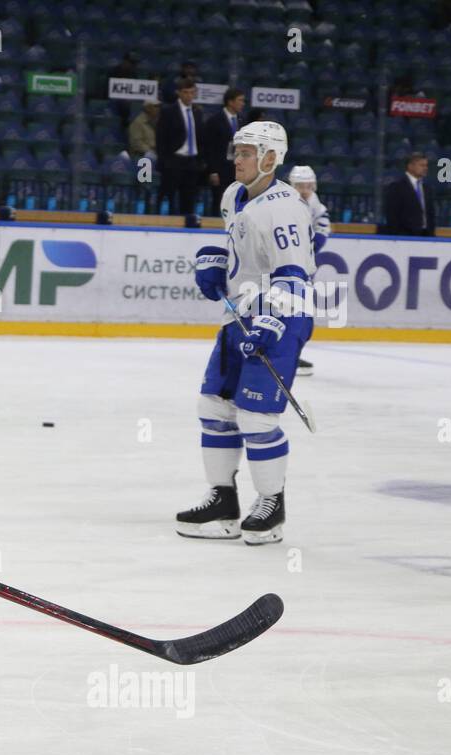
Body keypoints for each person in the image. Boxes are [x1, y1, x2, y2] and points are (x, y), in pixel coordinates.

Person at [179, 121, 313, 545]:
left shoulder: (285, 207)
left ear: (271, 158)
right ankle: (222, 500)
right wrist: (216, 264)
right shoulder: (233, 195)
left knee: (256, 416)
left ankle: (272, 506)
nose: (236, 160)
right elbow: (240, 249)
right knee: (214, 407)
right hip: (238, 315)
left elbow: (293, 275)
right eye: (236, 151)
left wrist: (272, 322)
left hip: (282, 317)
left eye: (246, 153)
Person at [288, 165, 329, 377]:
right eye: (300, 186)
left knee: (302, 314)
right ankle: (278, 353)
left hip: (304, 267)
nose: (305, 190)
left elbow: (322, 232)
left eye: (308, 185)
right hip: (283, 265)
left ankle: (291, 354)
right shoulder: (283, 205)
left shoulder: (317, 206)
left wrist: (306, 252)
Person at [155, 76, 205, 216]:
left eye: (191, 92)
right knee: (171, 198)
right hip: (174, 161)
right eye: (185, 92)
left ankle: (188, 229)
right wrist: (165, 160)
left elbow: (201, 138)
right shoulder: (168, 111)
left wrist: (200, 160)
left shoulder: (198, 112)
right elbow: (161, 139)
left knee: (189, 200)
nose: (189, 95)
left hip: (192, 162)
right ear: (179, 93)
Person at [202, 87, 245, 215]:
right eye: (240, 100)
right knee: (219, 200)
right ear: (230, 102)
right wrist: (213, 170)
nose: (242, 104)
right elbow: (209, 147)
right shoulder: (215, 121)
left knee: (235, 199)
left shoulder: (242, 120)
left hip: (236, 167)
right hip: (220, 168)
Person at [382, 152, 435, 236]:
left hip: (425, 237)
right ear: (410, 166)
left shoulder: (427, 189)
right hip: (404, 237)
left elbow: (430, 215)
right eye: (422, 165)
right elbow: (392, 216)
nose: (425, 168)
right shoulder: (397, 187)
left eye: (426, 165)